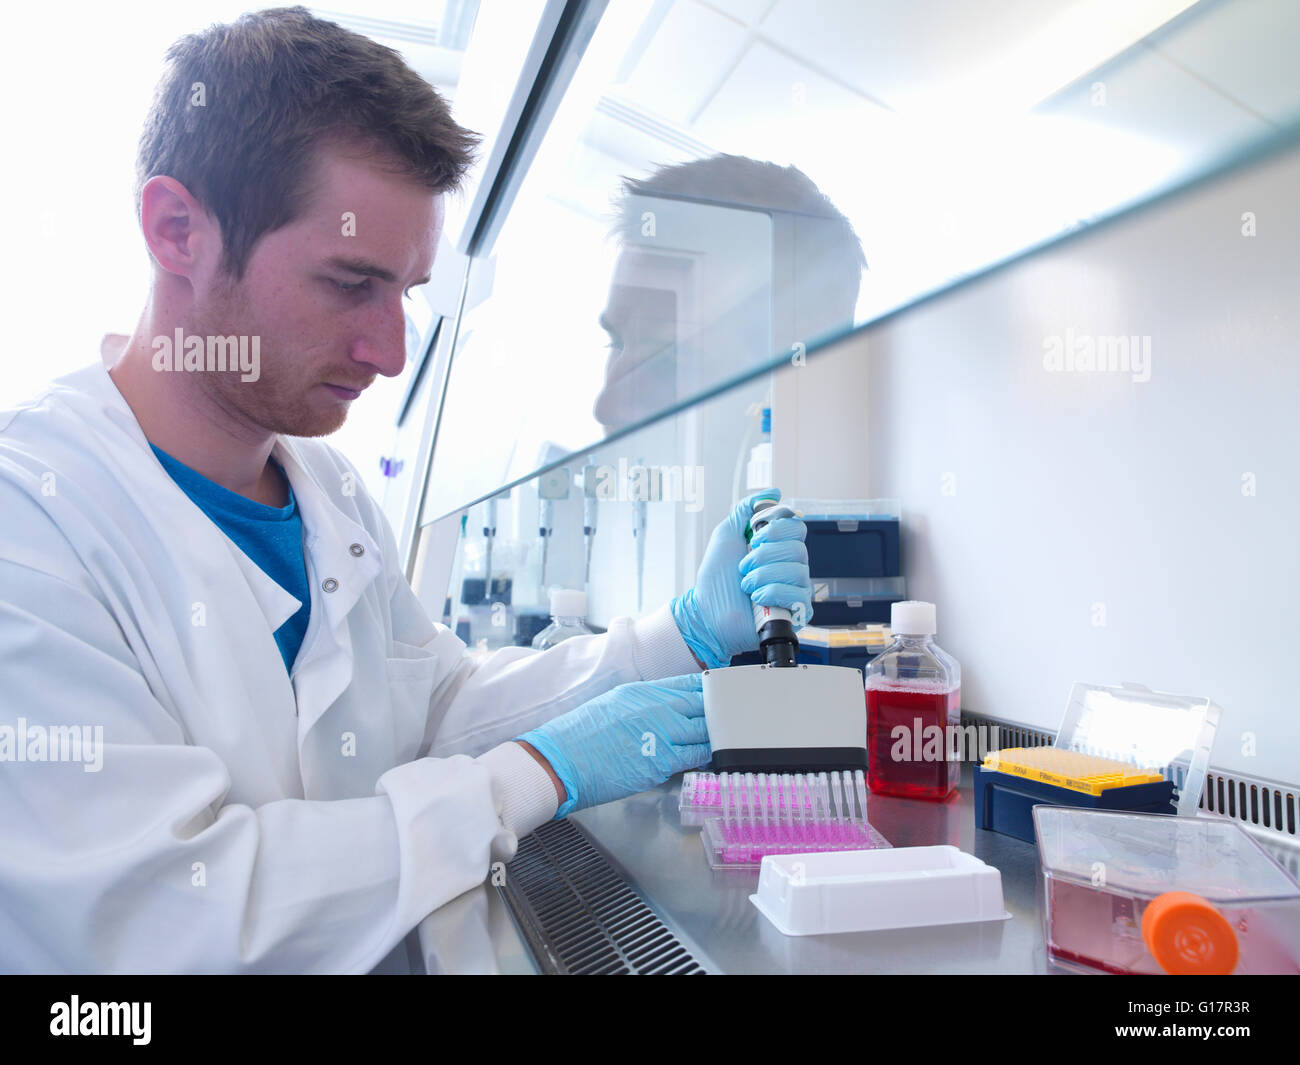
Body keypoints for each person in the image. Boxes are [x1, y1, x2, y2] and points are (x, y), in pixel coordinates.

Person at [0, 7, 811, 973]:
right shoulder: (34, 519)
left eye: (406, 293)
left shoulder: (328, 489)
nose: (388, 351)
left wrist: (671, 636)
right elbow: (160, 914)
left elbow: (434, 713)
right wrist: (528, 779)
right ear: (178, 230)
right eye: (350, 284)